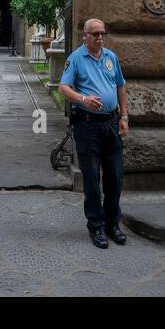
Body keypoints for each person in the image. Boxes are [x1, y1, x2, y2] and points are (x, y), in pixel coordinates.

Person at [58, 18, 128, 248]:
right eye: (95, 34)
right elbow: (63, 87)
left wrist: (124, 117)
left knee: (114, 178)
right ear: (85, 35)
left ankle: (112, 224)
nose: (100, 37)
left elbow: (121, 86)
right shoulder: (76, 58)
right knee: (91, 179)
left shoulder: (111, 57)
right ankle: (96, 226)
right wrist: (83, 99)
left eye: (102, 34)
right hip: (87, 126)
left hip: (111, 124)